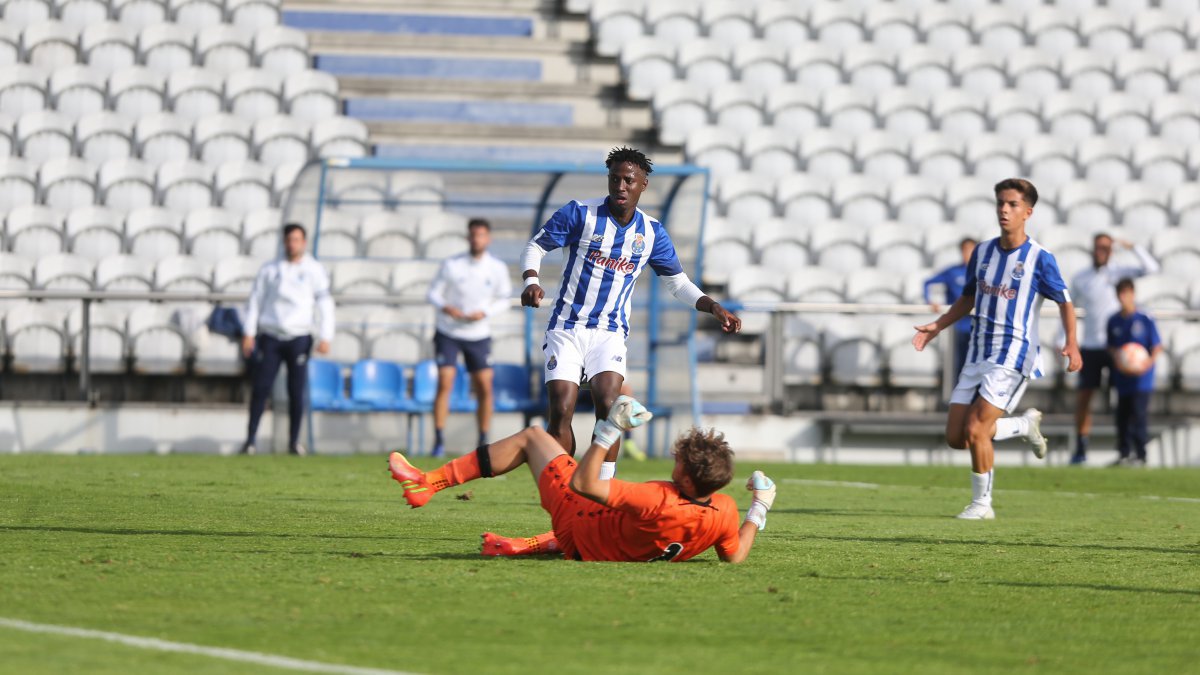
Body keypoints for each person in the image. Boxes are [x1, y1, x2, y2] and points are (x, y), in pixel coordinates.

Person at [520, 146, 742, 482]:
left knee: (609, 407)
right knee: (561, 410)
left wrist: (713, 306)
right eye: (614, 179)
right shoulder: (580, 213)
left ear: (643, 185)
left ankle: (602, 490)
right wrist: (532, 281)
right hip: (567, 326)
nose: (620, 186)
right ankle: (563, 490)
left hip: (609, 333)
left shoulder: (651, 233)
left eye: (628, 180)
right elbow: (536, 245)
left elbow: (678, 284)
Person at [386, 395, 777, 563]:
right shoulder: (725, 512)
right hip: (592, 547)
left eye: (681, 463)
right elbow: (735, 555)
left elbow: (584, 486)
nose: (675, 461)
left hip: (576, 518)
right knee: (611, 524)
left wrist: (610, 429)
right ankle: (523, 546)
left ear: (689, 482)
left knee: (533, 437)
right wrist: (759, 507)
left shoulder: (658, 498)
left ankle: (428, 482)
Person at [913, 178, 1082, 520]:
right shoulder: (983, 252)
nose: (1004, 210)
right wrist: (938, 325)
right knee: (956, 438)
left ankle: (982, 505)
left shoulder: (1039, 258)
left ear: (1028, 212)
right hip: (978, 352)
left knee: (976, 429)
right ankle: (1022, 426)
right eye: (1001, 203)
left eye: (1013, 205)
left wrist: (1072, 342)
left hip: (1013, 354)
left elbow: (1065, 302)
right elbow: (968, 297)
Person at [240, 223, 334, 456]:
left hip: (299, 337)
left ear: (303, 242)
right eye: (289, 239)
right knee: (261, 388)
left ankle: (293, 442)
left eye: (297, 239)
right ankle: (250, 440)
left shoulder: (314, 269)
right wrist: (248, 332)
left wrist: (326, 335)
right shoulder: (270, 269)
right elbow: (255, 301)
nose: (292, 244)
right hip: (271, 336)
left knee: (296, 391)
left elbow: (325, 303)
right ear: (284, 242)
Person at [1068, 234, 1160, 465]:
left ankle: (1127, 450)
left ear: (1111, 250)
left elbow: (1152, 267)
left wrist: (1134, 246)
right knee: (1085, 397)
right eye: (1098, 247)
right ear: (1093, 248)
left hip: (1119, 349)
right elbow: (1069, 308)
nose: (1101, 251)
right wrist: (1068, 340)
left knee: (1125, 400)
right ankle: (1081, 447)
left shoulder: (1119, 272)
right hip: (1091, 345)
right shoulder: (1082, 278)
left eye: (1106, 247)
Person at [426, 218, 513, 457]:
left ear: (488, 238)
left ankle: (483, 438)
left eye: (481, 235)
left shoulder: (496, 267)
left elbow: (505, 299)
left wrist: (484, 312)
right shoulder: (452, 265)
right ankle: (439, 439)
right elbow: (433, 293)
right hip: (449, 332)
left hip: (478, 334)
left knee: (484, 385)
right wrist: (446, 307)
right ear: (468, 237)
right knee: (445, 381)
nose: (477, 239)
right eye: (473, 235)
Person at [1106, 278, 1162, 468]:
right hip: (1122, 378)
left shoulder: (1145, 319)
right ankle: (1123, 454)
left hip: (1142, 379)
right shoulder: (1113, 321)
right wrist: (1118, 360)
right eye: (1121, 294)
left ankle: (1141, 455)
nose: (1124, 298)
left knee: (1139, 415)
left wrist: (1147, 363)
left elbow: (1156, 346)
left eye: (1127, 293)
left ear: (1133, 294)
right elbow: (1112, 347)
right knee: (1122, 416)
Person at [923, 237, 978, 382]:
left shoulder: (983, 272)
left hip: (978, 324)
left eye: (971, 250)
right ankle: (956, 399)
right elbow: (927, 282)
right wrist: (930, 301)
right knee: (957, 364)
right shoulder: (953, 272)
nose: (968, 253)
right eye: (965, 250)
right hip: (957, 325)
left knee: (978, 364)